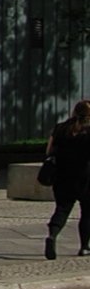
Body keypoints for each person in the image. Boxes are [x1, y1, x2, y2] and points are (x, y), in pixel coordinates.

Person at [40, 99, 90, 260]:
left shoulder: (61, 128)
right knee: (87, 213)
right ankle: (84, 247)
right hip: (86, 176)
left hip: (62, 176)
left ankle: (52, 235)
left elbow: (49, 151)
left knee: (61, 209)